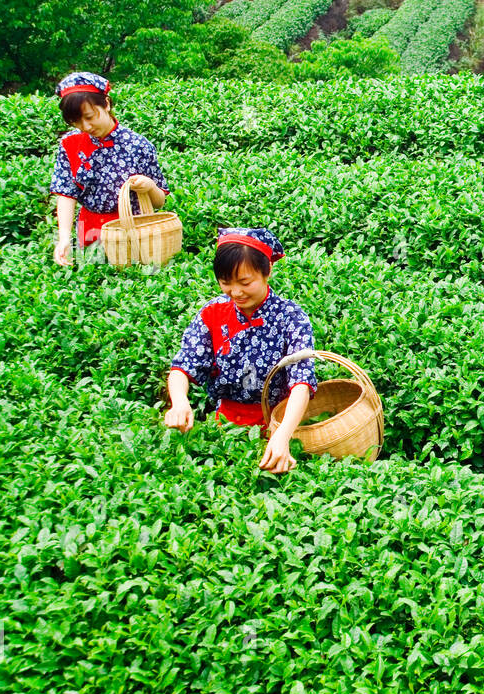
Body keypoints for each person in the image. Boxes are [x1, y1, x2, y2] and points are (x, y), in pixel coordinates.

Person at [166, 228, 317, 474]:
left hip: (280, 421)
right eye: (226, 283)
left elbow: (301, 382)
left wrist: (282, 435)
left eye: (245, 282)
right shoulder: (213, 313)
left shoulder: (291, 317)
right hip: (225, 424)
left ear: (267, 271)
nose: (236, 292)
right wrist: (180, 402)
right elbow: (183, 365)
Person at [48, 72, 170, 265]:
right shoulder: (70, 143)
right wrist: (64, 237)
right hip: (88, 231)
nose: (85, 126)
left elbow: (159, 202)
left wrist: (149, 186)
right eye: (76, 121)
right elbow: (66, 193)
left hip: (131, 231)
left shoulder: (138, 145)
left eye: (89, 117)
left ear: (106, 104)